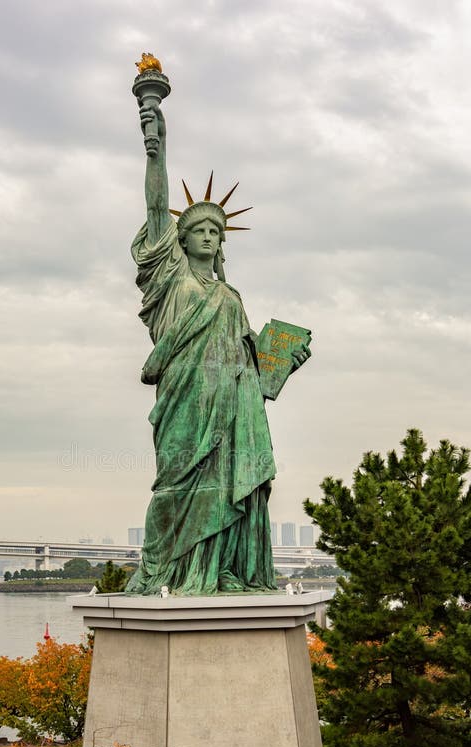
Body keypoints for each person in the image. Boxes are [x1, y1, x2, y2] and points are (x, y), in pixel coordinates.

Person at [125, 103, 309, 595]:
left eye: (215, 231)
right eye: (198, 230)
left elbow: (252, 363)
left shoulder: (231, 296)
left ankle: (222, 569)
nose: (207, 235)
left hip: (231, 409)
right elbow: (155, 205)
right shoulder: (170, 277)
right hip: (185, 400)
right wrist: (155, 148)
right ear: (179, 240)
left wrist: (282, 359)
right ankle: (166, 570)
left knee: (230, 487)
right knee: (175, 488)